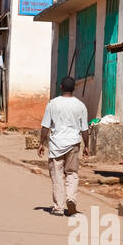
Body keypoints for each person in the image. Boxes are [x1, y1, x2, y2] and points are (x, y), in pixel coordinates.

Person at [38, 76, 90, 216]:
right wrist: (86, 146)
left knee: (57, 175)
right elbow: (84, 129)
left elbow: (45, 126)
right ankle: (71, 198)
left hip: (56, 146)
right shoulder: (80, 106)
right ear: (74, 89)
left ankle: (59, 208)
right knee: (72, 173)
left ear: (61, 87)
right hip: (73, 144)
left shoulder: (52, 104)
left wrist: (41, 143)